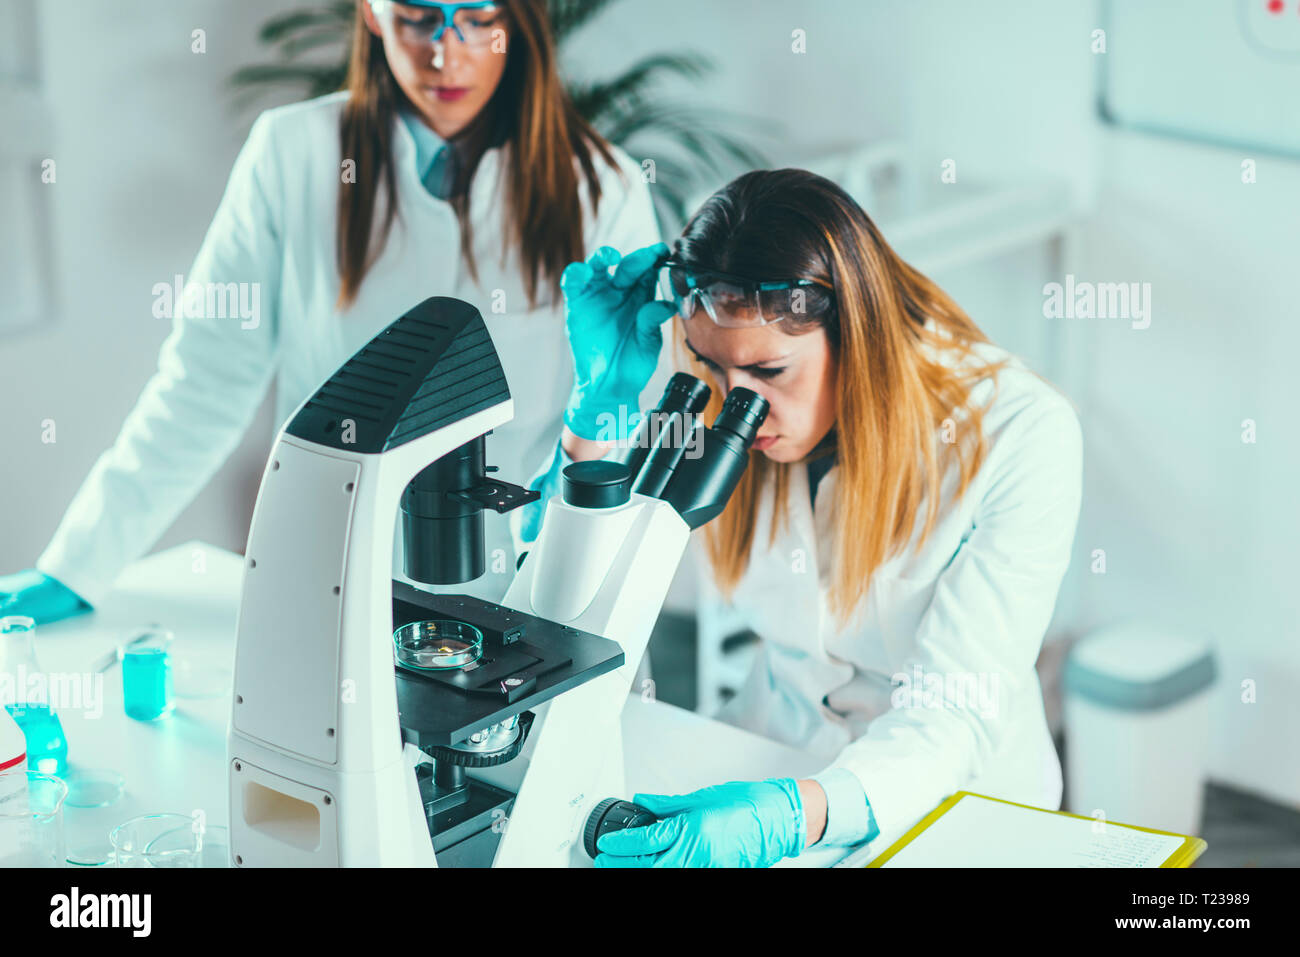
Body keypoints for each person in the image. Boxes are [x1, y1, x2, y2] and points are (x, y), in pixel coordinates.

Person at [0, 0, 659, 622]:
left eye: (479, 18)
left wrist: (597, 436)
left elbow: (631, 426)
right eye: (419, 19)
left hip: (529, 581)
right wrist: (77, 564)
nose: (445, 55)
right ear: (372, 10)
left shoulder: (604, 189)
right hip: (338, 577)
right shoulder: (293, 155)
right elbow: (203, 384)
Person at [544, 169, 1082, 867]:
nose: (738, 405)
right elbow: (570, 613)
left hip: (946, 802)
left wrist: (795, 815)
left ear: (856, 335)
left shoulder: (1020, 432)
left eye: (770, 372)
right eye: (712, 366)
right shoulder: (717, 390)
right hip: (773, 750)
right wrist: (592, 422)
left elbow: (951, 710)